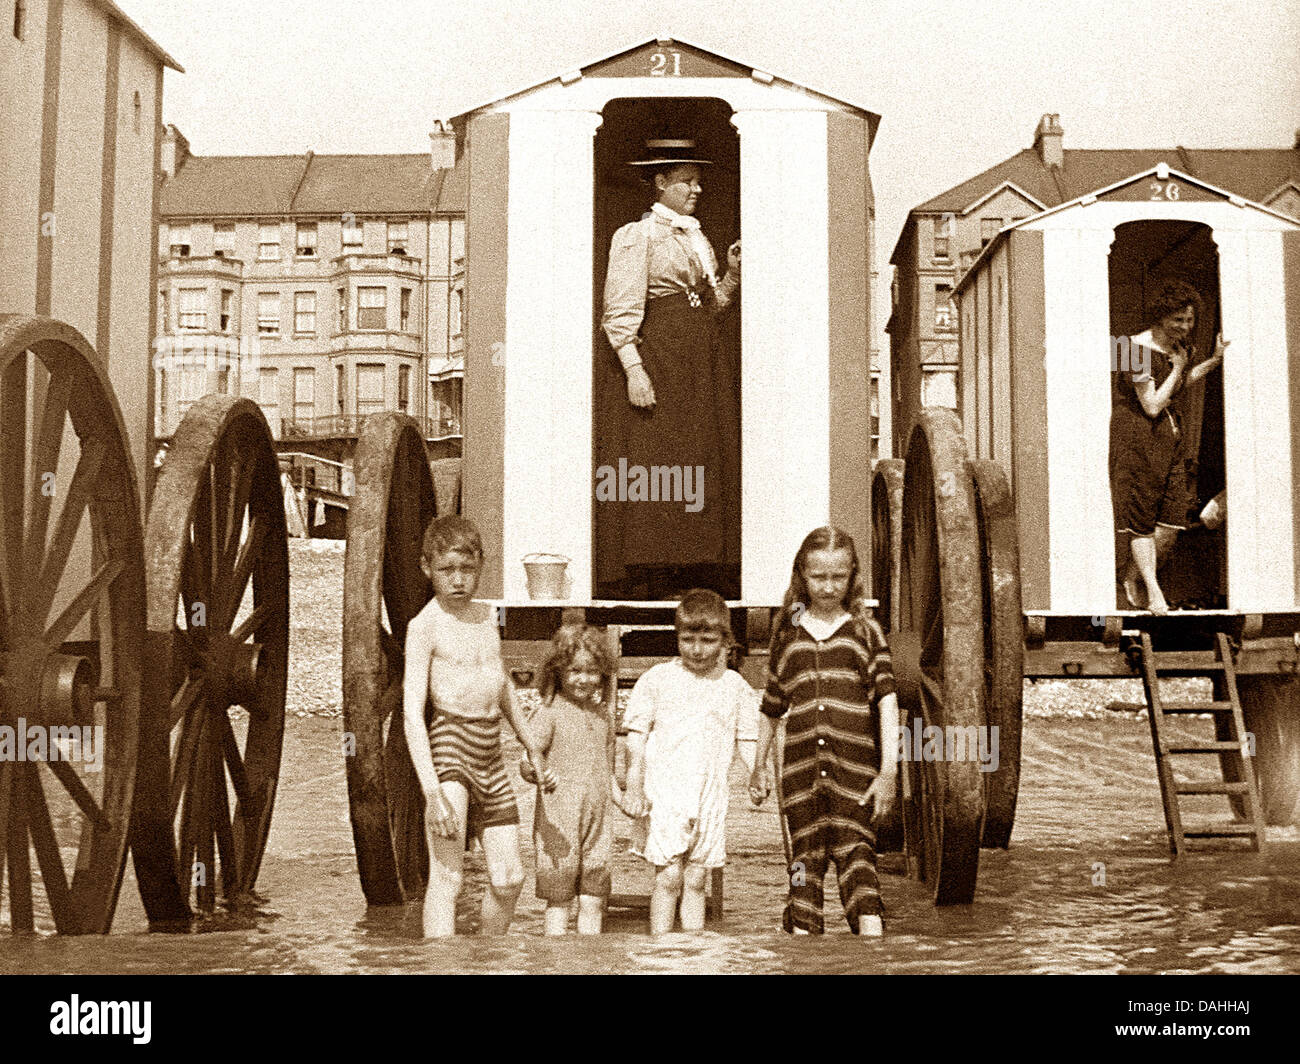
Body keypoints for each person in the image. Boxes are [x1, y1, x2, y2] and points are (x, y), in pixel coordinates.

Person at [597, 137, 742, 600]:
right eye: (686, 182)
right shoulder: (637, 235)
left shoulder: (695, 236)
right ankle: (653, 574)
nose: (696, 189)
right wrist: (635, 371)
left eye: (698, 182)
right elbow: (619, 312)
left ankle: (696, 571)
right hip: (663, 361)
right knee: (661, 463)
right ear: (660, 184)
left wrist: (733, 274)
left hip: (701, 365)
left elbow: (711, 304)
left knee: (701, 457)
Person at [402, 515, 556, 938]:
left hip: (491, 752)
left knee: (509, 879)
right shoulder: (424, 626)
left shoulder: (488, 616)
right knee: (448, 877)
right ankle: (441, 965)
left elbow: (500, 684)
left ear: (481, 567)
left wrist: (531, 745)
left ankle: (487, 956)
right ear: (426, 567)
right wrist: (432, 792)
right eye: (447, 569)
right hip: (450, 746)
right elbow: (413, 713)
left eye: (467, 570)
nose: (457, 580)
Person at [749, 527, 898, 937]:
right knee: (802, 876)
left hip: (856, 782)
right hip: (800, 784)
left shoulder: (866, 633)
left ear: (852, 576)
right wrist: (758, 767)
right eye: (818, 577)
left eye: (838, 577)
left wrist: (888, 773)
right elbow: (771, 708)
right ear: (802, 575)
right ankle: (801, 953)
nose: (828, 587)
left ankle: (874, 959)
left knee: (862, 876)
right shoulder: (788, 635)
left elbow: (887, 702)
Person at [621, 589, 759, 933]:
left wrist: (759, 773)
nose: (697, 649)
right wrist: (634, 785)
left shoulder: (734, 685)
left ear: (725, 640)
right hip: (665, 795)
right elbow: (635, 738)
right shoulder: (657, 679)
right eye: (688, 639)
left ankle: (697, 957)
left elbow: (747, 738)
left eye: (708, 640)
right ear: (677, 636)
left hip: (710, 797)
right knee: (669, 877)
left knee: (697, 878)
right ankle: (661, 952)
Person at [1110, 279, 1227, 613]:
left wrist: (1213, 361)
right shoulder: (1130, 347)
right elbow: (1151, 405)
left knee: (1171, 524)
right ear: (1160, 317)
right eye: (1178, 320)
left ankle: (1130, 576)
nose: (1185, 327)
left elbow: (1179, 384)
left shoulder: (1180, 350)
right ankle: (1153, 591)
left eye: (1189, 321)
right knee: (1142, 520)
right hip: (1138, 445)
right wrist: (1177, 368)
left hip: (1169, 444)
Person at [518, 624, 622, 935]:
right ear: (558, 671)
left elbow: (606, 771)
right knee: (559, 900)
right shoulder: (549, 712)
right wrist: (537, 774)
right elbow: (526, 761)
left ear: (602, 673)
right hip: (558, 829)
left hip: (598, 826)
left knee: (594, 899)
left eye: (592, 671)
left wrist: (624, 800)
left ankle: (589, 962)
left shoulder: (603, 715)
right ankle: (554, 961)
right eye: (574, 670)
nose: (583, 678)